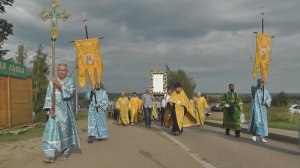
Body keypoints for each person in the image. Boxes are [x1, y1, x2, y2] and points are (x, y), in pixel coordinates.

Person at [42, 64, 80, 163]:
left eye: (64, 70)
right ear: (57, 71)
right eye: (60, 70)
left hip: (65, 112)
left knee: (64, 132)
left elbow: (70, 93)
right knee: (51, 132)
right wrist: (50, 109)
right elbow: (48, 96)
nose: (62, 72)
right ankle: (50, 155)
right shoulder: (51, 83)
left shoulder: (70, 81)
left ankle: (65, 151)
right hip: (54, 112)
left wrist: (59, 84)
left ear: (66, 71)